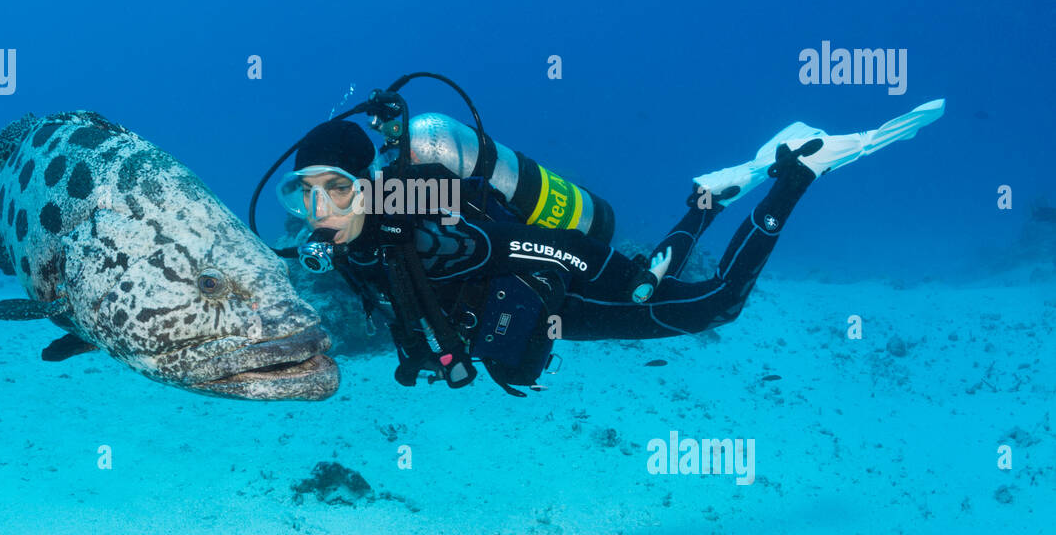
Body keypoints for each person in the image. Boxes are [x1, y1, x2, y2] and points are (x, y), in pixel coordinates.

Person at [275, 99, 945, 395]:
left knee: (713, 306)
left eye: (335, 187)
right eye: (302, 193)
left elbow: (518, 246)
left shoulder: (418, 218)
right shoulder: (343, 248)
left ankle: (802, 167)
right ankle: (710, 195)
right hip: (533, 289)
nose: (318, 208)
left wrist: (565, 291)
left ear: (368, 183)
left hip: (553, 273)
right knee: (657, 280)